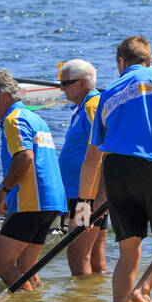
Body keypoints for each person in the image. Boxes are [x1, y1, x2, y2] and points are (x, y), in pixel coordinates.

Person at [74, 36, 152, 302]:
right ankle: (143, 289)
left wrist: (84, 203)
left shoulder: (106, 94)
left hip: (115, 172)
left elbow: (92, 157)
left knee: (128, 253)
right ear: (148, 59)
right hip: (149, 164)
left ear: (120, 62)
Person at [0, 69, 66, 291]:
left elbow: (24, 158)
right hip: (51, 201)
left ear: (5, 97)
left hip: (31, 201)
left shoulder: (13, 119)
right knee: (27, 266)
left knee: (1, 263)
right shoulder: (35, 117)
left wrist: (3, 191)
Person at [56, 59, 107, 277]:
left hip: (86, 196)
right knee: (94, 255)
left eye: (65, 83)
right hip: (86, 194)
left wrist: (97, 198)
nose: (62, 88)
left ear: (82, 83)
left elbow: (105, 149)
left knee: (78, 256)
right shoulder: (84, 106)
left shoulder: (92, 106)